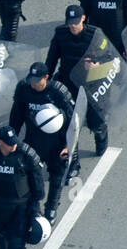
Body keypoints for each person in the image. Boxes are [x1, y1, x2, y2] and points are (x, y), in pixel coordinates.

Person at [9, 62, 77, 222]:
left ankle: (52, 207)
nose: (33, 83)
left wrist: (69, 146)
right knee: (28, 175)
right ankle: (34, 208)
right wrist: (11, 140)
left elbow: (73, 122)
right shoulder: (24, 89)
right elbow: (16, 116)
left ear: (46, 77)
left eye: (37, 80)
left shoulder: (58, 92)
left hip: (56, 144)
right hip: (33, 141)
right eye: (31, 79)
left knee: (57, 176)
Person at [45, 5, 106, 161]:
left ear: (83, 19)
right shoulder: (60, 34)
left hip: (91, 83)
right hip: (68, 81)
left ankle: (101, 136)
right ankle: (72, 155)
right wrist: (46, 78)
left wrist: (97, 65)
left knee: (95, 120)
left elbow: (109, 57)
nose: (72, 25)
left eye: (76, 21)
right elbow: (52, 58)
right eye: (70, 22)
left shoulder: (95, 34)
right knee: (68, 121)